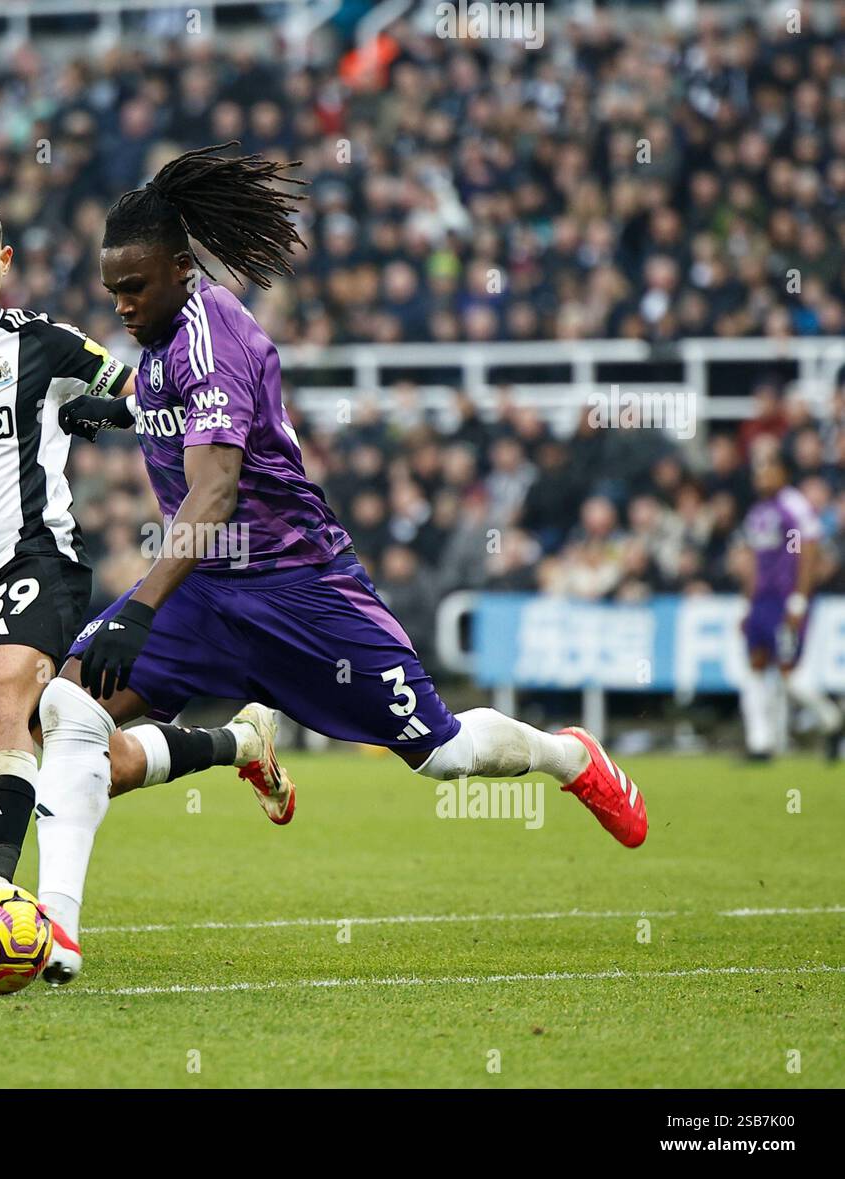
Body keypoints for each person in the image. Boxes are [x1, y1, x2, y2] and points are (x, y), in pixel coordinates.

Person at [42, 143, 649, 986]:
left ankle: (569, 757)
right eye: (112, 289)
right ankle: (56, 930)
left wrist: (139, 604)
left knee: (445, 757)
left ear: (182, 269)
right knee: (68, 708)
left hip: (301, 594)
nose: (120, 304)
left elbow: (214, 494)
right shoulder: (166, 333)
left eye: (134, 286)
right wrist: (116, 410)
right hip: (206, 594)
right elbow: (171, 407)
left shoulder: (215, 336)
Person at [0, 195, 296, 950]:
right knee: (80, 753)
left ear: (4, 264)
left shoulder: (45, 343)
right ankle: (239, 742)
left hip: (42, 562)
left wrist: (111, 413)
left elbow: (142, 392)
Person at [738, 453, 842, 760]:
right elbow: (754, 561)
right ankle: (760, 743)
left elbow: (808, 553)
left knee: (789, 673)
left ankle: (831, 718)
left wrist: (799, 599)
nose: (761, 476)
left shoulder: (794, 506)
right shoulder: (757, 510)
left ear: (783, 472)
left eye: (768, 468)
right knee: (755, 666)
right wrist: (748, 603)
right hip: (762, 601)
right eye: (759, 470)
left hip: (785, 599)